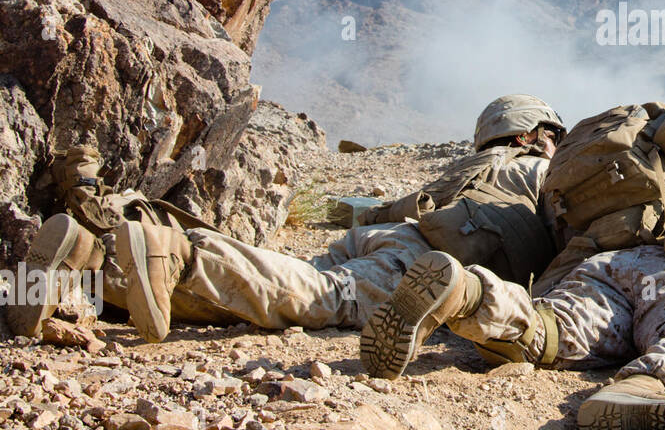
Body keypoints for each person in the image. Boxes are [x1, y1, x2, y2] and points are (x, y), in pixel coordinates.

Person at [359, 84, 665, 430]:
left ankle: (468, 296)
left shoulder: (657, 163)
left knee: (548, 331)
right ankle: (645, 386)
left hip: (598, 263)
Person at [12, 95, 564, 345]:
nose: (557, 146)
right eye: (551, 135)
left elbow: (398, 208)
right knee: (322, 299)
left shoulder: (470, 163)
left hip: (384, 236)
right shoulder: (541, 169)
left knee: (268, 294)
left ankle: (89, 262)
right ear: (528, 134)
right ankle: (178, 253)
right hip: (424, 261)